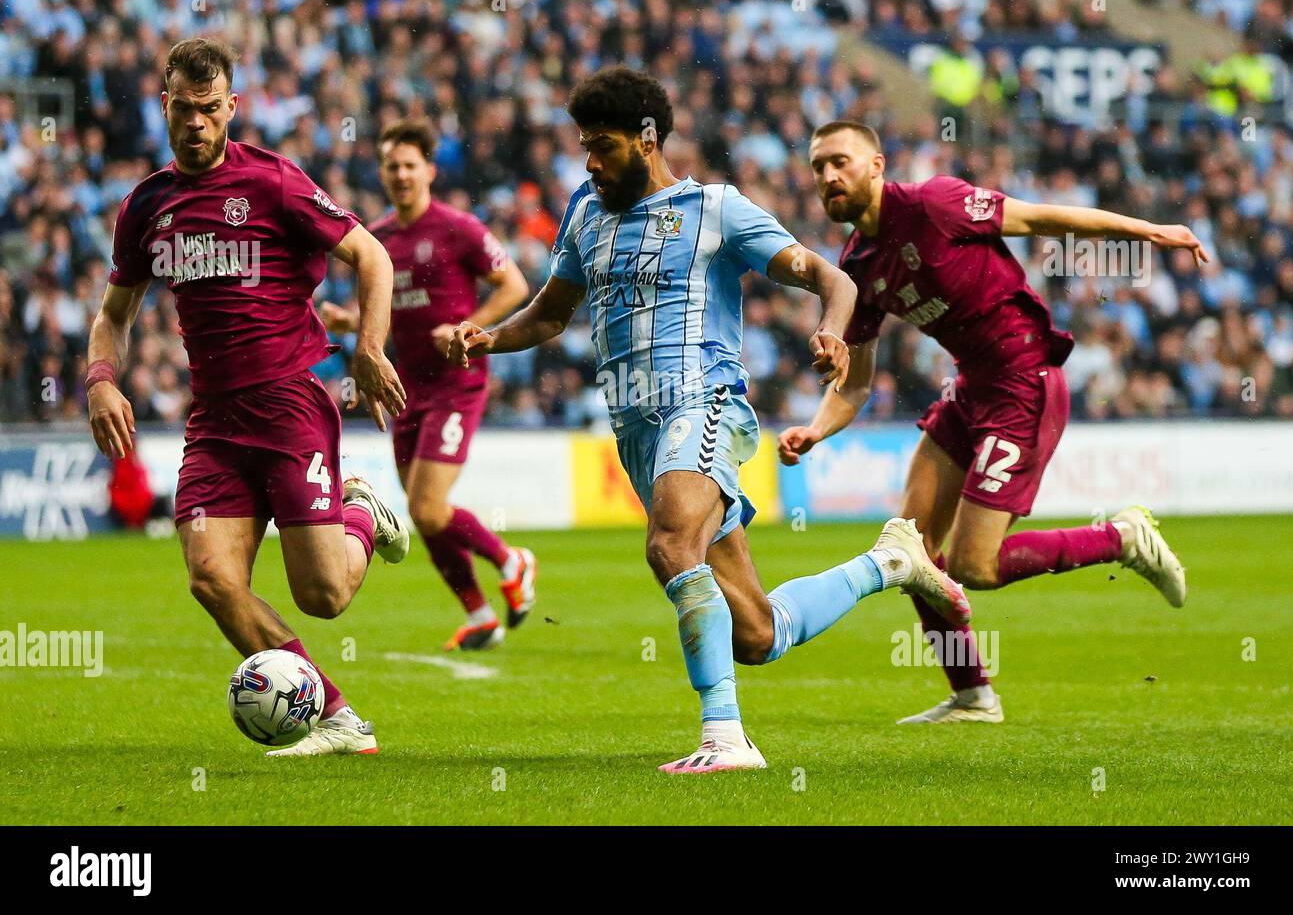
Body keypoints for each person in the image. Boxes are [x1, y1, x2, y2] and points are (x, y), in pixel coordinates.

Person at [449, 68, 968, 773]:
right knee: (756, 633)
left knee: (669, 545)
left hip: (703, 403)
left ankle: (725, 737)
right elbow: (548, 312)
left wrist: (836, 331)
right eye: (584, 147)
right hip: (636, 428)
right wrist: (488, 337)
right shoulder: (584, 213)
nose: (590, 161)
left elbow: (832, 278)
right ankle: (890, 561)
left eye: (602, 146)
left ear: (648, 138)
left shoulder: (715, 208)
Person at [785, 121, 1199, 724]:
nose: (828, 176)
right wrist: (816, 429)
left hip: (1023, 381)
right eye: (819, 167)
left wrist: (1147, 231)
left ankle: (1122, 538)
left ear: (876, 165)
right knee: (910, 549)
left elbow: (1041, 219)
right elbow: (856, 381)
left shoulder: (935, 203)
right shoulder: (859, 266)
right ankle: (973, 695)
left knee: (975, 567)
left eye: (839, 162)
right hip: (971, 389)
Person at [86, 38, 409, 756]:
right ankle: (335, 716)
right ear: (163, 104)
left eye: (210, 108)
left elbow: (373, 255)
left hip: (289, 404)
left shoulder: (274, 183)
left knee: (322, 596)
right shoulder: (146, 206)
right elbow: (114, 314)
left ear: (231, 107)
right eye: (183, 108)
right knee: (211, 578)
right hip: (215, 423)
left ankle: (360, 511)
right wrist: (100, 379)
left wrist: (369, 347)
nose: (196, 122)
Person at [322, 118, 537, 652]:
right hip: (405, 389)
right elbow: (386, 310)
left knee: (427, 509)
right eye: (392, 166)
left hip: (457, 385)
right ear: (383, 173)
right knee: (424, 512)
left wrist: (471, 326)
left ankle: (511, 560)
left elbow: (515, 284)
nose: (400, 174)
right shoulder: (376, 240)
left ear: (430, 171)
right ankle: (480, 614)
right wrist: (353, 323)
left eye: (409, 165)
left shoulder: (458, 228)